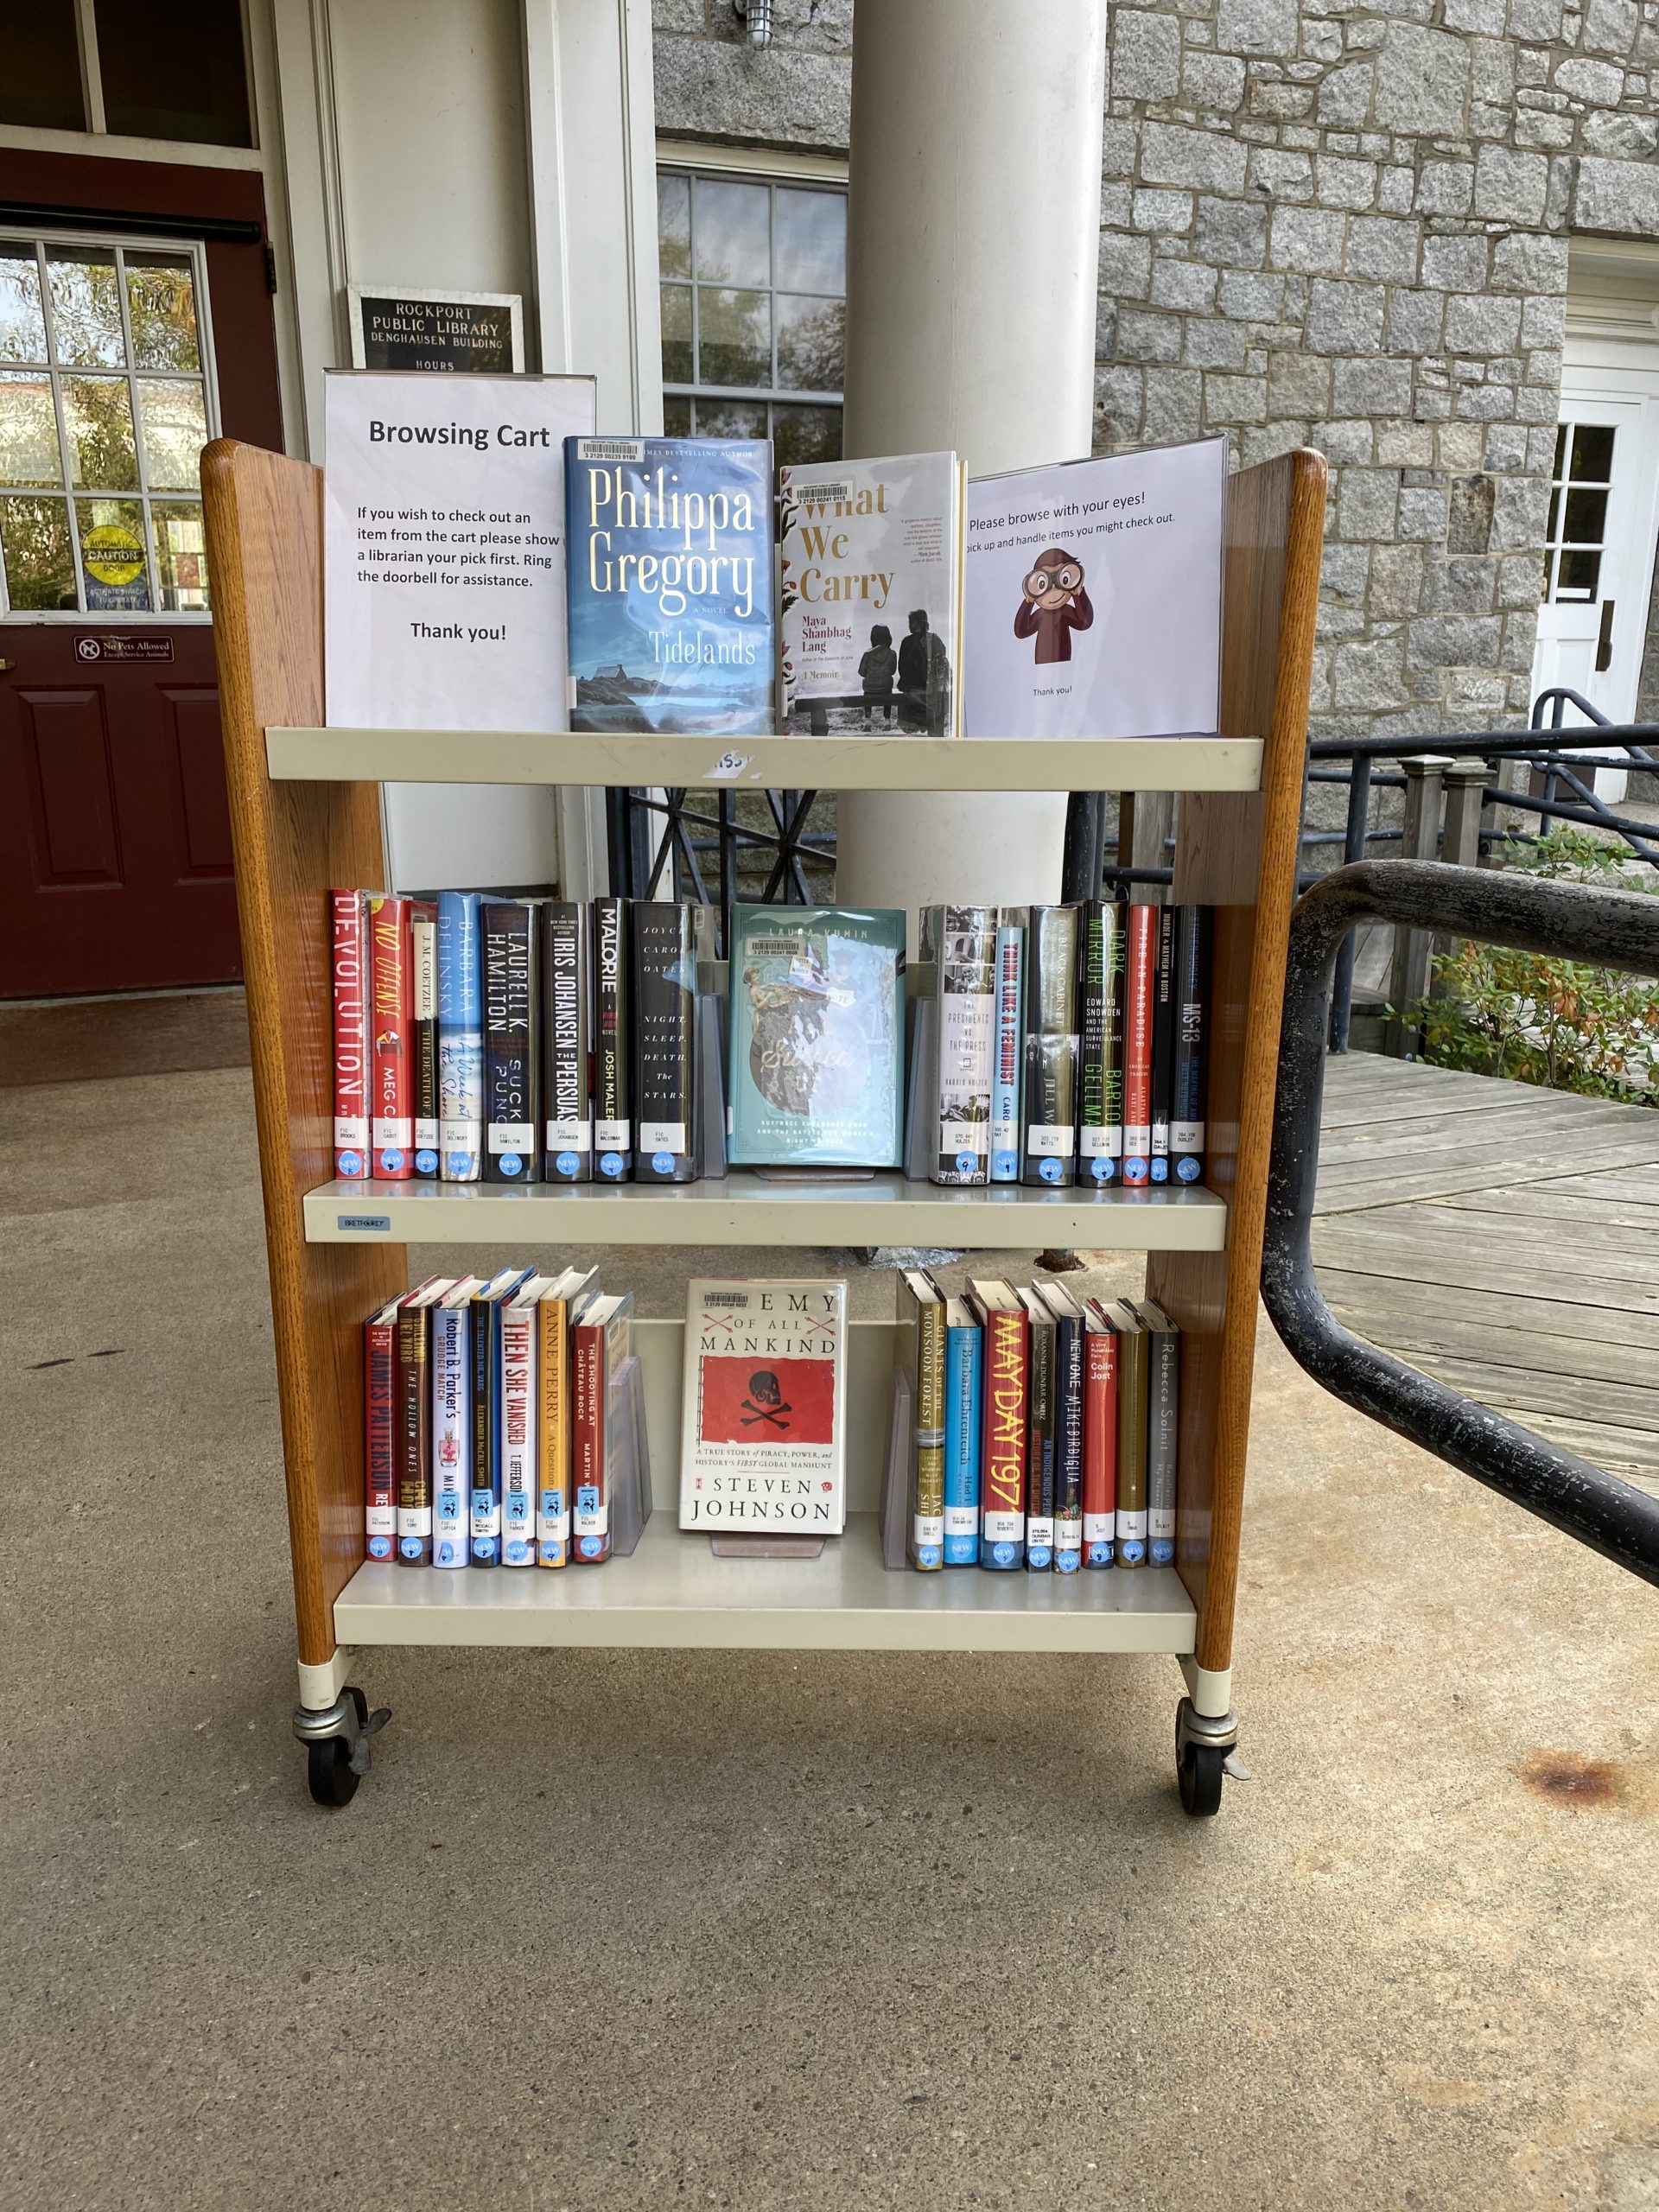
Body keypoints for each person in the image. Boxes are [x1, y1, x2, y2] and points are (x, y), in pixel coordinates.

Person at [1014, 547, 1093, 665]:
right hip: (1041, 668)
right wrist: (1028, 601)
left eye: (1064, 580)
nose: (1054, 589)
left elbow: (1084, 622)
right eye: (1043, 584)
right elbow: (1021, 631)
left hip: (1065, 665)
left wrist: (1079, 594)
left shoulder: (1065, 611)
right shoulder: (1041, 614)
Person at [897, 608, 952, 733]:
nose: (909, 626)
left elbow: (902, 669)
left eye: (910, 623)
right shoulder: (935, 640)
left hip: (912, 689)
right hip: (933, 690)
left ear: (915, 624)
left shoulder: (906, 642)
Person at [858, 622, 897, 723]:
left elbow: (861, 672)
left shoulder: (867, 654)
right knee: (888, 684)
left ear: (873, 638)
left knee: (867, 689)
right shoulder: (892, 653)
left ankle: (867, 719)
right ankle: (887, 719)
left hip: (870, 689)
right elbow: (892, 672)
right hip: (886, 688)